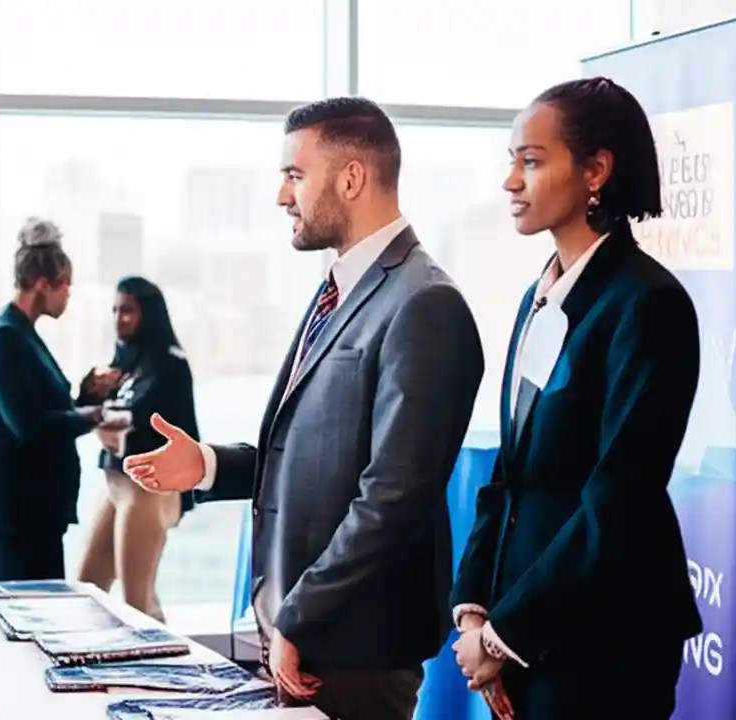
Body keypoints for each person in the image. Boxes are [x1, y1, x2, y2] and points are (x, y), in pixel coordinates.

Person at [123, 98, 485, 719]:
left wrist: (298, 614)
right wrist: (209, 465)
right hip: (310, 639)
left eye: (294, 174)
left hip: (356, 647)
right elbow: (319, 456)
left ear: (351, 178)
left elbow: (392, 498)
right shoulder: (340, 286)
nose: (280, 196)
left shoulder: (425, 304)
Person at [449, 77, 702, 720]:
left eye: (531, 161)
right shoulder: (539, 299)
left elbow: (620, 495)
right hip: (523, 623)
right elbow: (511, 469)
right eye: (511, 161)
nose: (511, 181)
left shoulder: (647, 304)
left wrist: (507, 636)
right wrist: (478, 607)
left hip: (604, 635)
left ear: (596, 170)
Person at [0, 217, 110, 581]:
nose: (68, 296)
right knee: (23, 608)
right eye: (65, 287)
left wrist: (83, 394)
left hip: (33, 507)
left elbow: (41, 410)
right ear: (43, 285)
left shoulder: (23, 335)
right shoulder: (4, 338)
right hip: (16, 509)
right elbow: (29, 426)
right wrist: (95, 414)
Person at [75, 276, 199, 622]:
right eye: (115, 310)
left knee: (137, 603)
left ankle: (167, 673)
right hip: (116, 484)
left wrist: (105, 414)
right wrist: (90, 392)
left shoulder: (169, 364)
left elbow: (142, 417)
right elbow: (90, 414)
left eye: (128, 310)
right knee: (87, 587)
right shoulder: (125, 365)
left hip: (148, 488)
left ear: (149, 313)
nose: (119, 318)